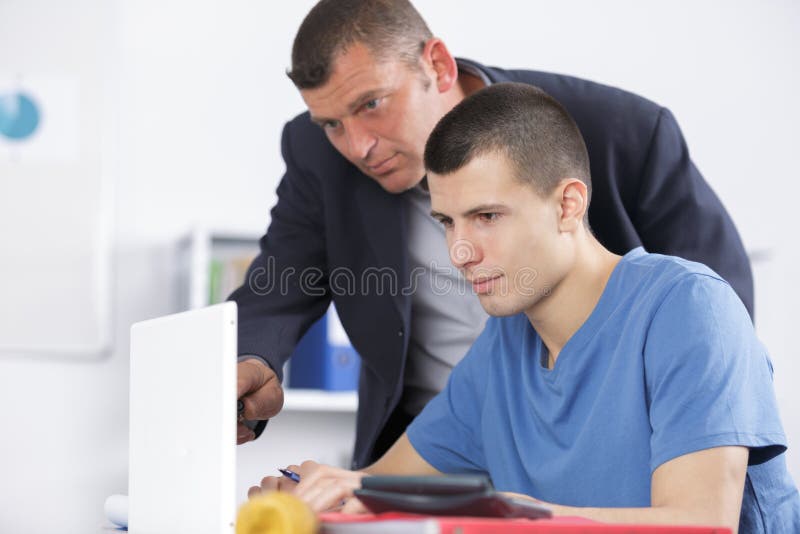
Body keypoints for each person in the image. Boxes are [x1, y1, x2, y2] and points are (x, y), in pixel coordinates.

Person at [248, 83, 799, 533]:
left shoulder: (688, 308)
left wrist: (501, 513)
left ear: (568, 204)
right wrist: (321, 494)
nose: (460, 252)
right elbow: (374, 488)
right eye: (447, 221)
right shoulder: (503, 350)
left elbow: (699, 525)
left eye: (487, 217)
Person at [231, 0, 754, 470]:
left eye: (372, 104)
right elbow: (282, 278)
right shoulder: (318, 153)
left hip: (600, 445)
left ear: (437, 65)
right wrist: (248, 367)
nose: (358, 146)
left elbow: (715, 311)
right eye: (331, 124)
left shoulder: (623, 131)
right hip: (429, 438)